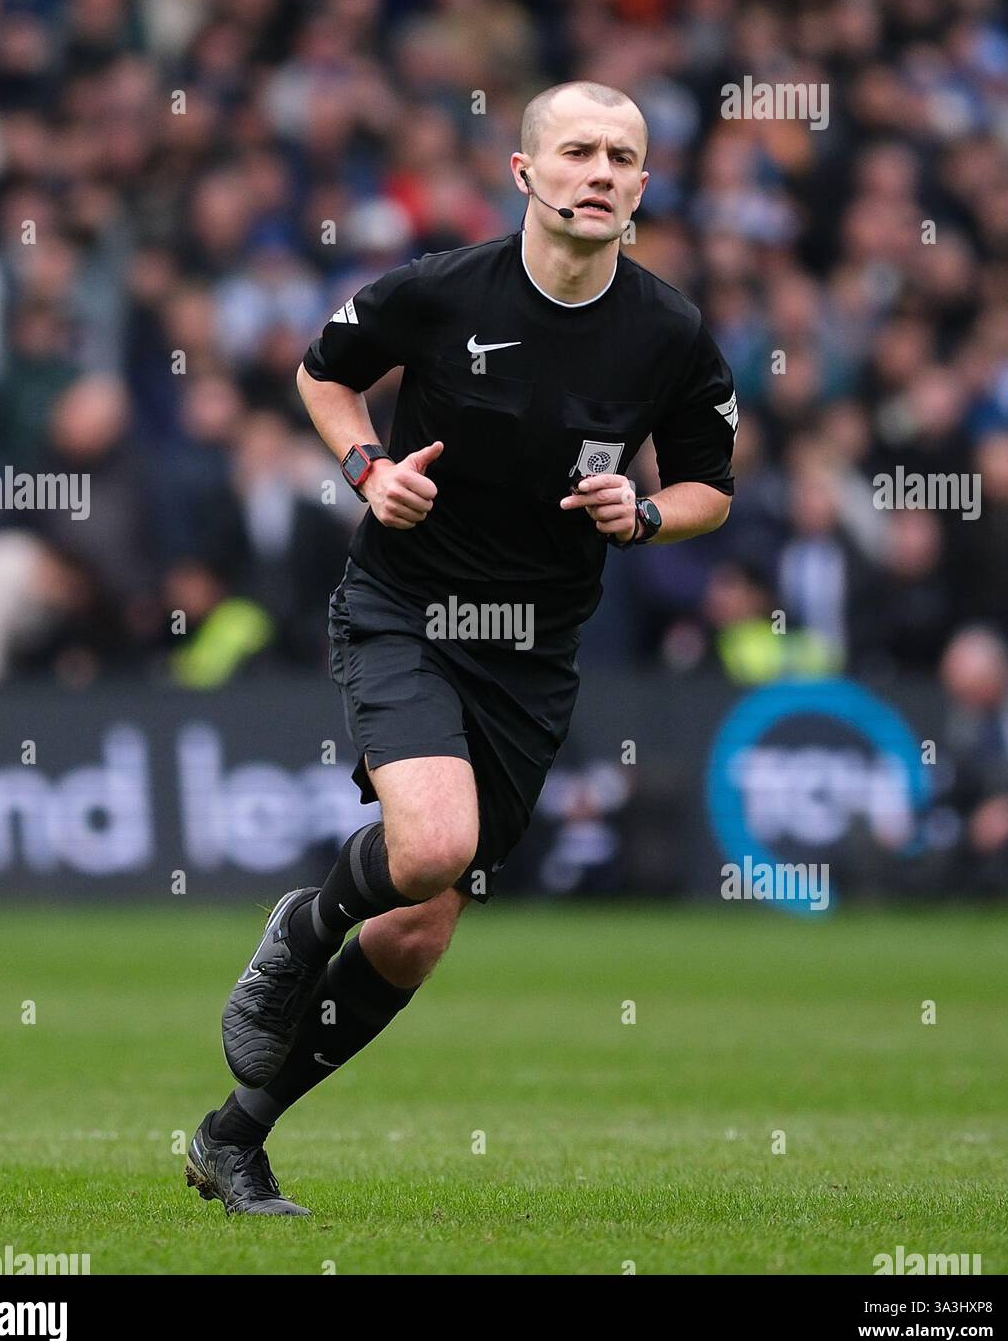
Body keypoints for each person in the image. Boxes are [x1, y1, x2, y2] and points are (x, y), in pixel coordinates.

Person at [185, 81, 737, 1215]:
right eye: (576, 151)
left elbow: (707, 490)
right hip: (406, 609)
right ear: (524, 174)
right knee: (431, 844)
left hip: (534, 650)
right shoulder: (438, 291)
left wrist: (645, 513)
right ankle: (301, 927)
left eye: (620, 156)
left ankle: (233, 1136)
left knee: (421, 928)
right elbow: (319, 373)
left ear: (641, 186)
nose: (598, 172)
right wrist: (363, 472)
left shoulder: (669, 331)